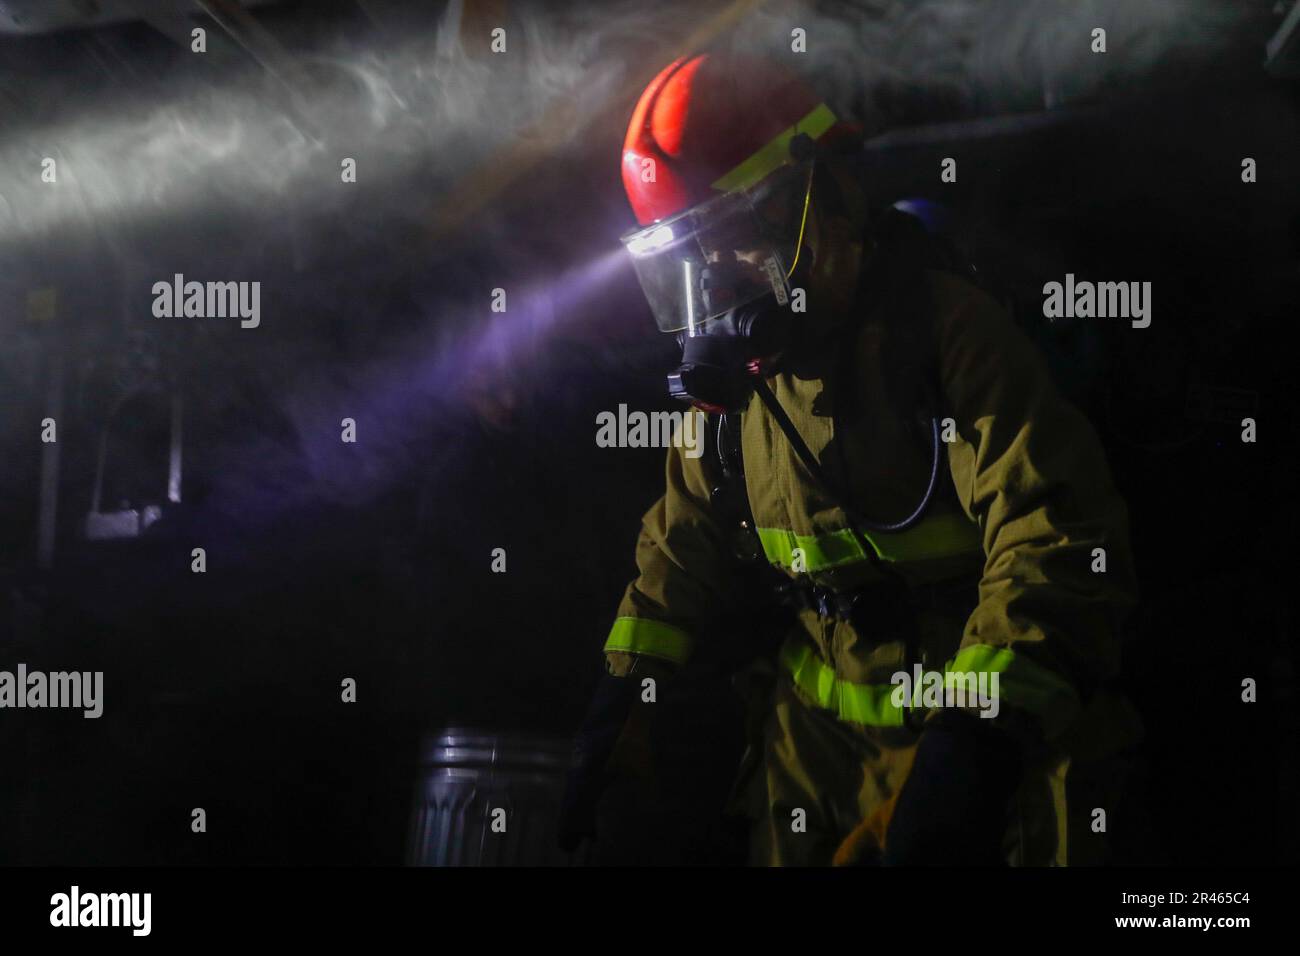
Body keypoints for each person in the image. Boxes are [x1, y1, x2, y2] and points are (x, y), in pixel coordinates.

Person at [559, 51, 1141, 866]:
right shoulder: (735, 398)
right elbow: (674, 556)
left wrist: (974, 752)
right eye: (694, 256)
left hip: (986, 756)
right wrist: (619, 711)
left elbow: (1058, 542)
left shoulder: (948, 337)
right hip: (817, 766)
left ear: (820, 197)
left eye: (733, 238)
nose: (718, 280)